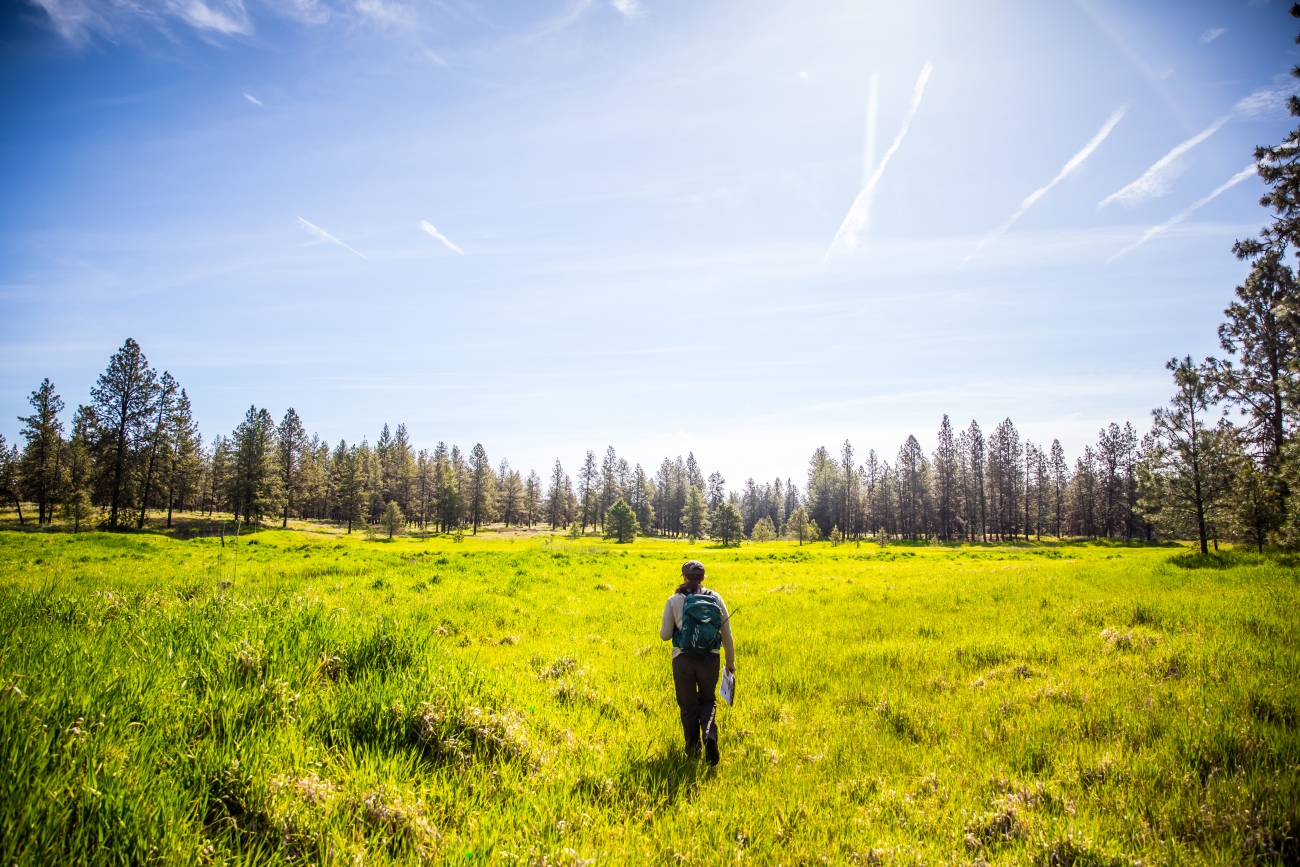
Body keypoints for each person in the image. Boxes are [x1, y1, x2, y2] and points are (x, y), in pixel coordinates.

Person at [659, 559, 735, 765]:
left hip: (683, 659)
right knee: (708, 701)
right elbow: (726, 635)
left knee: (688, 705)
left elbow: (665, 635)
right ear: (703, 577)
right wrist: (730, 662)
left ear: (683, 577)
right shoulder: (715, 598)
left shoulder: (674, 600)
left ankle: (693, 750)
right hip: (710, 658)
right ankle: (709, 735)